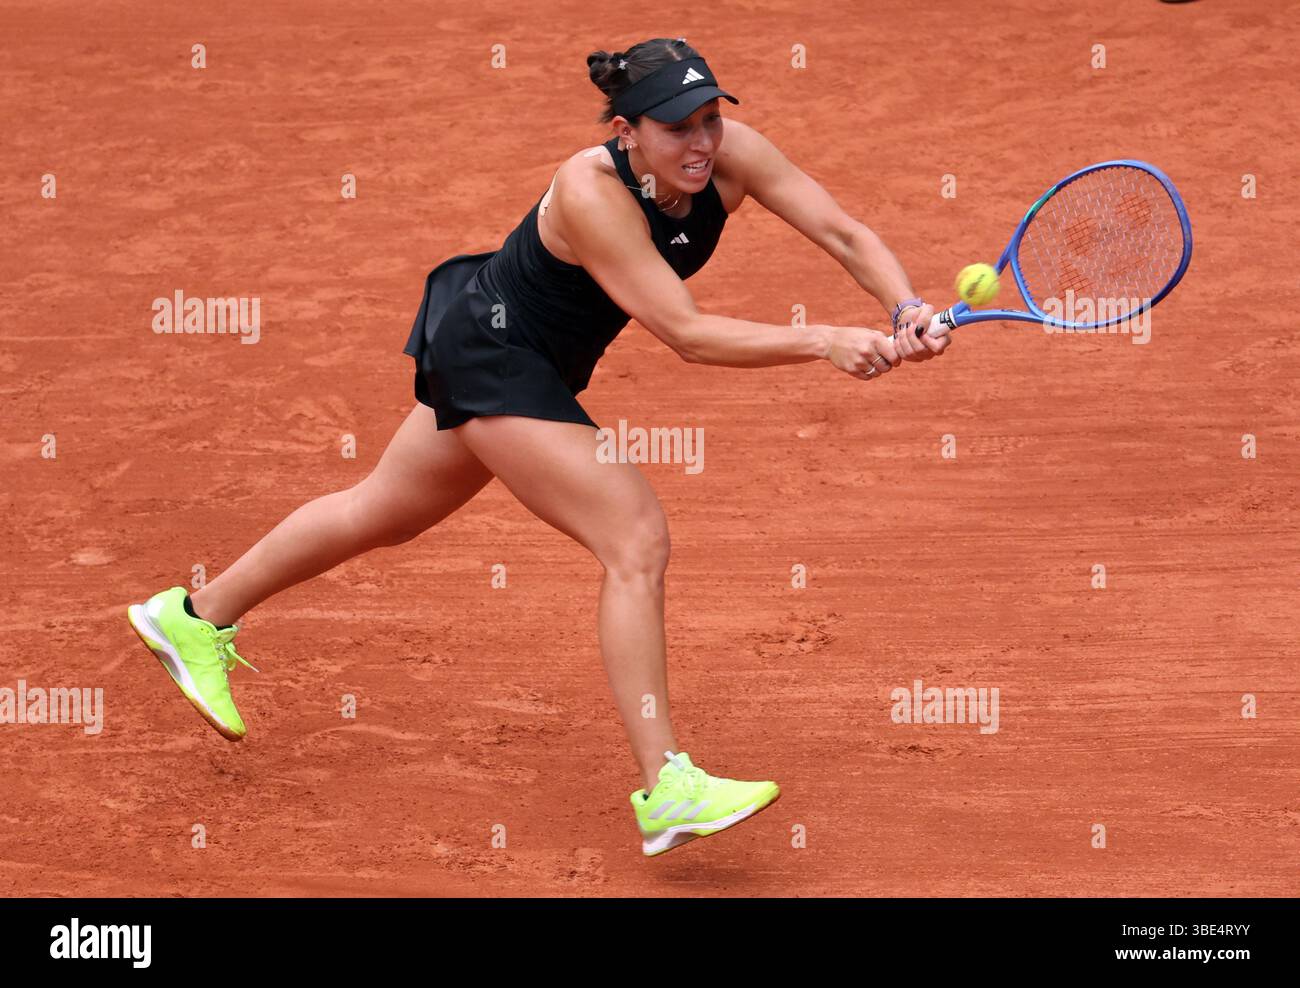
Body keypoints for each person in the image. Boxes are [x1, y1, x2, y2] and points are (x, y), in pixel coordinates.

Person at [126, 37, 952, 857]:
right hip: (493, 355)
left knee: (381, 510)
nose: (701, 143)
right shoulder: (589, 188)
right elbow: (687, 334)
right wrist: (822, 343)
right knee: (634, 538)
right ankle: (668, 785)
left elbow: (844, 233)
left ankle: (193, 616)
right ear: (627, 131)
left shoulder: (731, 156)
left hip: (524, 359)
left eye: (709, 119)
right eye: (676, 128)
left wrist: (904, 305)